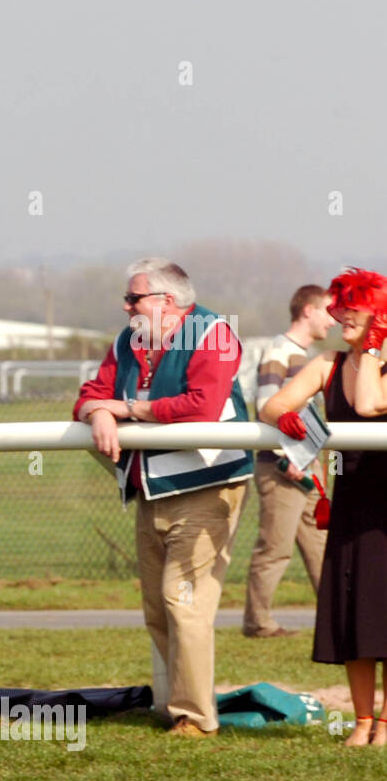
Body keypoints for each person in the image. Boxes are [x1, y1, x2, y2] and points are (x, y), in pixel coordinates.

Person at [75, 258, 252, 738]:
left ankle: (195, 718)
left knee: (183, 600)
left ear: (167, 302)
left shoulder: (213, 333)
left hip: (208, 484)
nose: (125, 305)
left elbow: (204, 404)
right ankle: (174, 705)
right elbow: (92, 391)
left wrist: (129, 408)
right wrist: (99, 414)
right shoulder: (127, 340)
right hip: (149, 487)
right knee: (158, 605)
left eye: (133, 298)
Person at [261, 269, 387, 746]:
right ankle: (360, 722)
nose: (341, 319)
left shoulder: (379, 362)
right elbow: (271, 406)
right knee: (357, 615)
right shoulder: (327, 363)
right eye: (340, 310)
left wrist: (374, 351)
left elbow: (372, 404)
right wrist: (290, 418)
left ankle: (386, 725)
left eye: (354, 311)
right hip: (351, 502)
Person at [242, 285, 334, 638]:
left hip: (305, 468)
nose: (333, 320)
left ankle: (333, 617)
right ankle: (258, 622)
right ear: (308, 310)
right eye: (328, 311)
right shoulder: (279, 351)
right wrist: (288, 458)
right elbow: (269, 407)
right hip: (283, 470)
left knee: (321, 547)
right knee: (275, 548)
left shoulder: (306, 355)